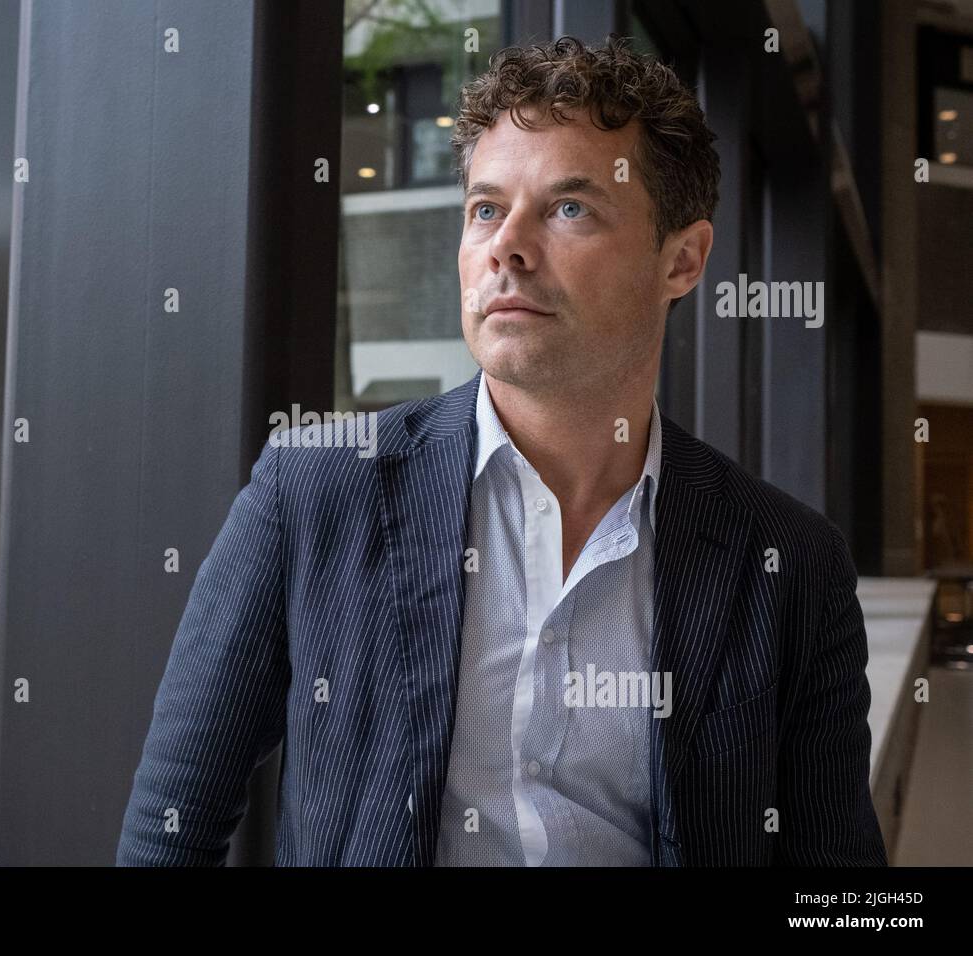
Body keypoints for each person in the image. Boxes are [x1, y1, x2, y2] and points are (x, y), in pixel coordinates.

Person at [117, 36, 887, 867]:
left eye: (569, 209)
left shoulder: (789, 564)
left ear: (683, 260)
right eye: (486, 209)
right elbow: (172, 828)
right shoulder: (312, 494)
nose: (505, 249)